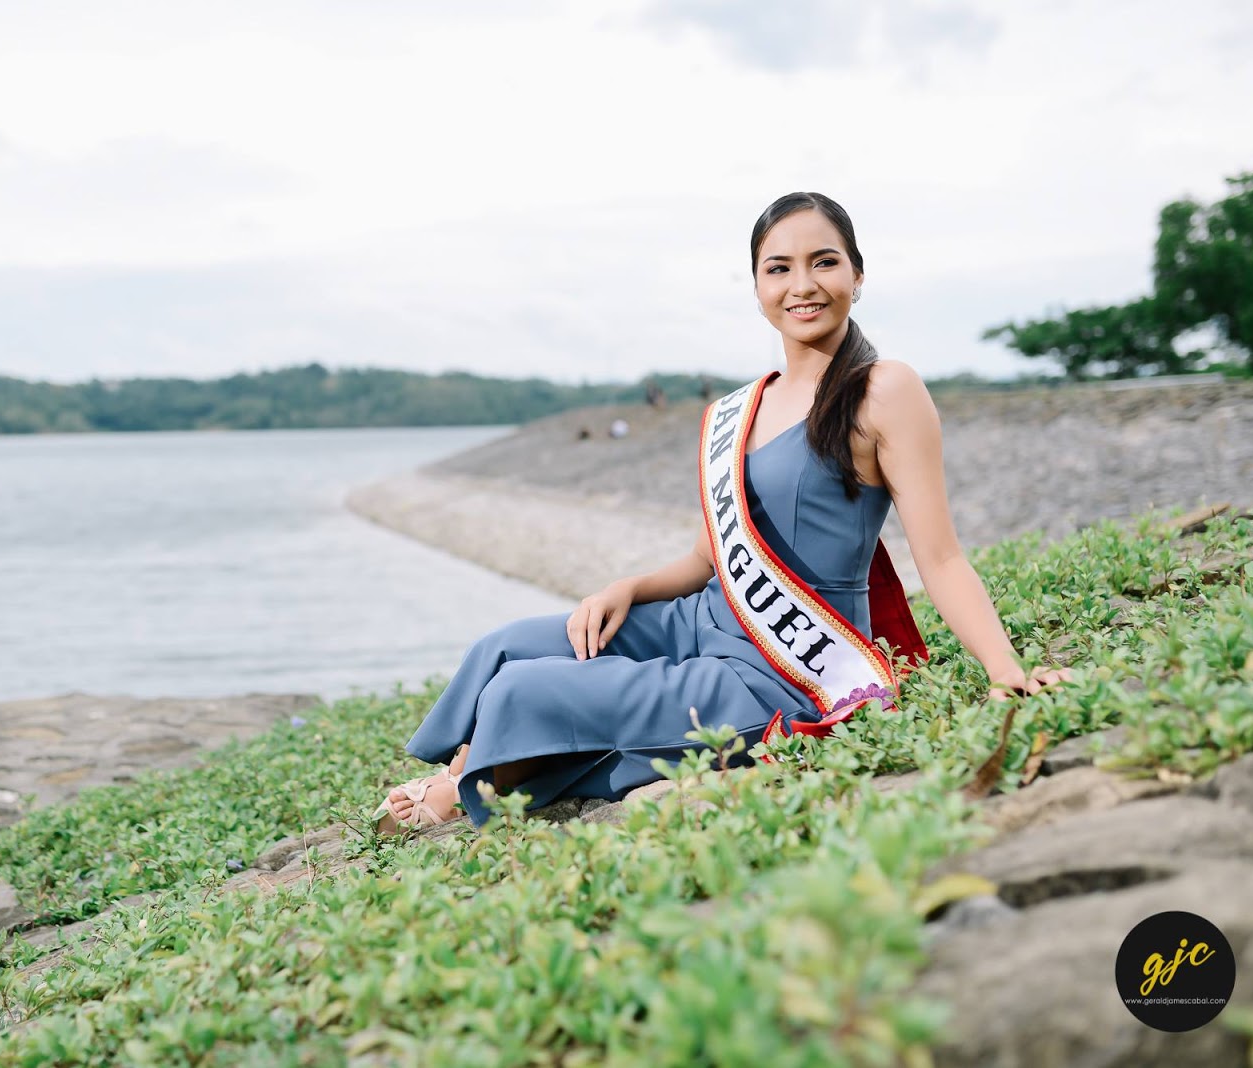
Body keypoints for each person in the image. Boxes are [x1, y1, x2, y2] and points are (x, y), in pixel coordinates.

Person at [374, 191, 1075, 834]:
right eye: (780, 268)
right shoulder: (738, 409)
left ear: (858, 276)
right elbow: (711, 559)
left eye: (824, 262)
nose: (802, 285)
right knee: (511, 645)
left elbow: (941, 556)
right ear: (758, 288)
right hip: (704, 617)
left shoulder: (883, 391)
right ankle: (468, 764)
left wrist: (1003, 668)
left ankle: (465, 784)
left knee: (528, 688)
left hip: (783, 666)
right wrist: (627, 589)